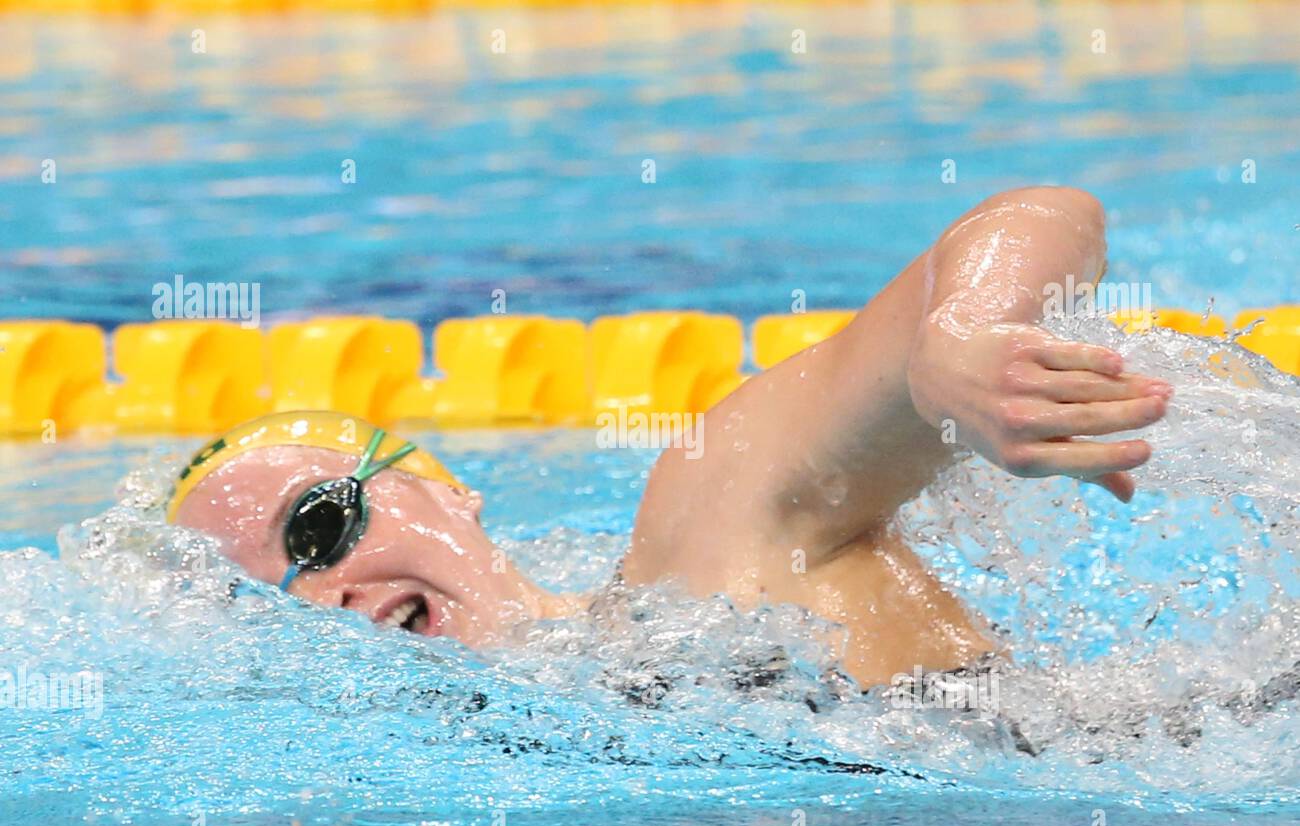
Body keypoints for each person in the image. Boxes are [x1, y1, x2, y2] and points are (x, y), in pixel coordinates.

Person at [169, 186, 1172, 690]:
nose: (316, 594)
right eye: (267, 600)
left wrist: (960, 344)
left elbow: (1043, 214)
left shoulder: (705, 531)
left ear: (446, 489)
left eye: (315, 527)